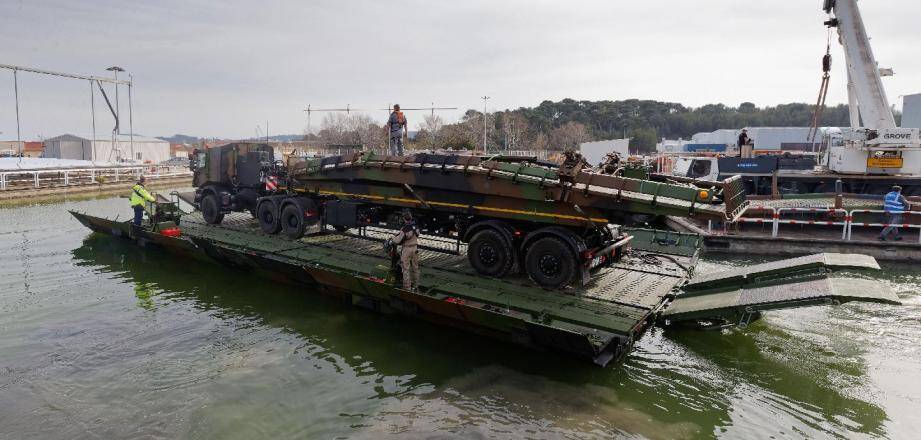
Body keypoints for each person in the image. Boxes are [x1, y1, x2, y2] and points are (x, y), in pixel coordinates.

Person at [389, 211, 420, 291]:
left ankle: (407, 288)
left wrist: (393, 238)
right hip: (415, 248)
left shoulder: (404, 228)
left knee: (405, 269)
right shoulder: (416, 227)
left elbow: (398, 241)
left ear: (404, 219)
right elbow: (417, 234)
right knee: (415, 268)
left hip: (406, 250)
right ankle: (416, 286)